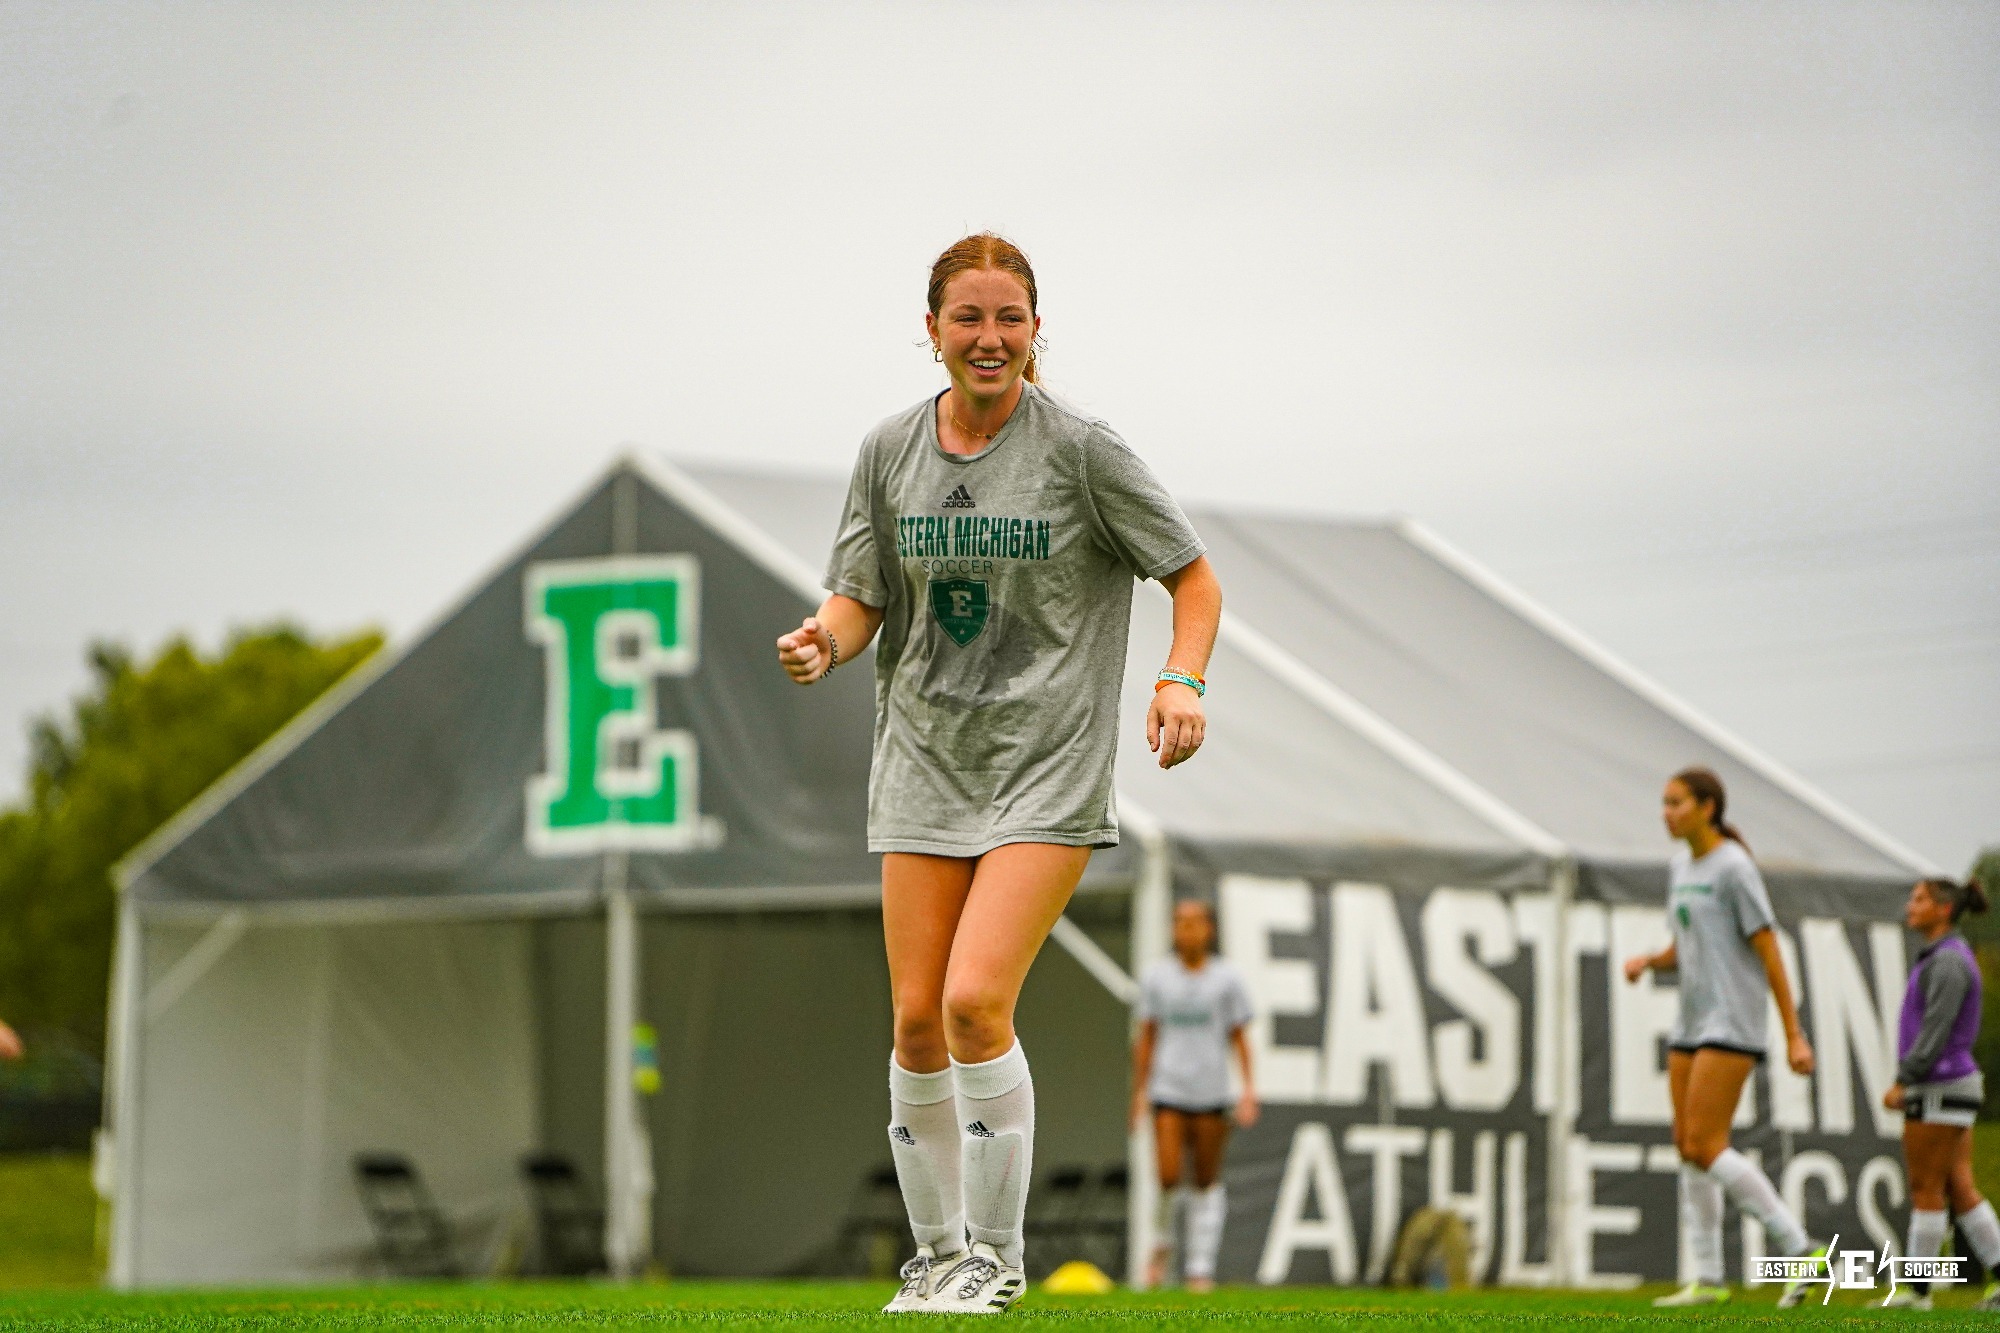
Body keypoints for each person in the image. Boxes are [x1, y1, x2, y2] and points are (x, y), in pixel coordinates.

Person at [776, 233, 1221, 1314]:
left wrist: (1178, 682)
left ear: (1035, 331)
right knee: (917, 1022)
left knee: (977, 1002)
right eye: (967, 318)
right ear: (929, 330)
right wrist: (825, 640)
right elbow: (860, 591)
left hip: (1046, 767)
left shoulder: (1080, 451)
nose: (988, 339)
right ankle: (933, 1256)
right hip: (923, 760)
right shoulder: (888, 450)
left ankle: (995, 1258)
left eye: (1008, 319)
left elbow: (1193, 577)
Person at [1622, 766, 1822, 1309]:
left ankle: (1800, 1248)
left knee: (1708, 1144)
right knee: (1688, 1148)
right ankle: (1709, 1278)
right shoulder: (1680, 866)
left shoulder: (1734, 869)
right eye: (1663, 803)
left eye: (1677, 803)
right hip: (1691, 1021)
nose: (1667, 813)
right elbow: (1687, 946)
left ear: (1708, 807)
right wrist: (1650, 961)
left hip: (1731, 1022)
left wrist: (1793, 1034)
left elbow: (1768, 949)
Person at [1879, 875, 2000, 1311]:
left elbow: (1936, 1030)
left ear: (1944, 910)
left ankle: (1917, 1293)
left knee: (1925, 1187)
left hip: (1940, 1085)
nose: (1911, 906)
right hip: (1954, 1085)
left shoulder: (1948, 961)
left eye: (1920, 900)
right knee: (1959, 1188)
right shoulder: (1942, 957)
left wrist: (1905, 1078)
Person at [1130, 898, 1257, 1292]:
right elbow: (1148, 1036)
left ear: (1209, 929)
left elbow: (1239, 1037)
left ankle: (1200, 1267)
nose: (1186, 930)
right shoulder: (1156, 978)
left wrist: (1249, 1089)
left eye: (1194, 922)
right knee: (1167, 1175)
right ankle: (1161, 1245)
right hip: (1168, 1089)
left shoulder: (1228, 979)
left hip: (1212, 1092)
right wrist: (1139, 1093)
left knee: (1205, 1179)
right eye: (1179, 922)